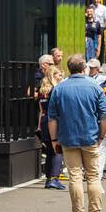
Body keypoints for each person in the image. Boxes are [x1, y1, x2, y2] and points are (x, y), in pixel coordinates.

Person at [47, 54, 106, 212]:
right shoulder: (95, 87)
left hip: (68, 138)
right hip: (90, 137)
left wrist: (54, 140)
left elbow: (52, 118)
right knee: (93, 176)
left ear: (69, 69)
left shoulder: (60, 88)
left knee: (74, 176)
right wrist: (101, 136)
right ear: (84, 69)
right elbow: (105, 115)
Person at [38, 58, 65, 190]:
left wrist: (39, 126)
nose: (61, 76)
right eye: (59, 74)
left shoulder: (42, 90)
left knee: (49, 151)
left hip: (44, 121)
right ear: (53, 76)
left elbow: (41, 110)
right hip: (53, 121)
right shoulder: (56, 90)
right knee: (58, 150)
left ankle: (49, 178)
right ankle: (54, 178)